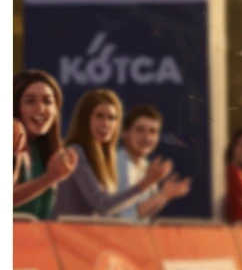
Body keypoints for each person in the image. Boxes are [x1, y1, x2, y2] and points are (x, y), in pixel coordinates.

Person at [55, 90, 171, 218]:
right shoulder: (75, 152)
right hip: (66, 235)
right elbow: (103, 205)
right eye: (99, 116)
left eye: (111, 118)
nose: (106, 124)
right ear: (85, 119)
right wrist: (146, 183)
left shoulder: (105, 157)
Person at [13, 70, 77, 216]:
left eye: (47, 101)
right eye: (30, 101)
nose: (40, 109)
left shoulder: (44, 151)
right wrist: (49, 178)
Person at [116, 105, 192, 222]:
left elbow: (145, 214)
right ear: (125, 133)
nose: (147, 137)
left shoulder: (145, 164)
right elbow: (124, 217)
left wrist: (166, 195)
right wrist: (164, 195)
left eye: (153, 131)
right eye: (139, 130)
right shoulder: (120, 163)